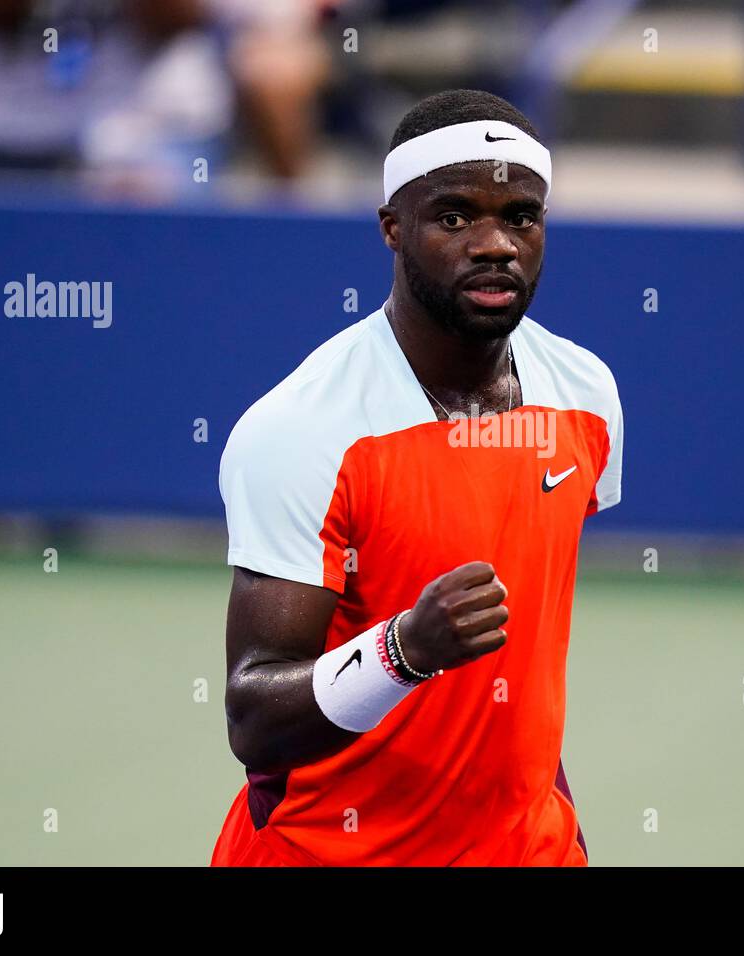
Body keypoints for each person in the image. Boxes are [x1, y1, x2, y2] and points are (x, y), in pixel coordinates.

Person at [210, 88, 623, 866]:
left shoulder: (587, 398)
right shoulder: (302, 431)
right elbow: (253, 722)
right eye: (456, 217)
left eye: (522, 217)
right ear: (392, 229)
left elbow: (521, 676)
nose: (496, 243)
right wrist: (403, 652)